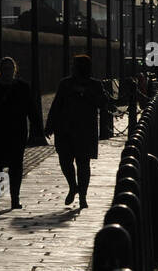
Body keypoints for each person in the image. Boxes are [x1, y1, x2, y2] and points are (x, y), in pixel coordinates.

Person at [45, 54, 115, 209]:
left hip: (85, 130)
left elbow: (103, 103)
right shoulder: (65, 84)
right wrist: (49, 125)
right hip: (65, 130)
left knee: (83, 164)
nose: (73, 68)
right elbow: (57, 105)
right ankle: (73, 186)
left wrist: (85, 92)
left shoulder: (95, 85)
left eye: (76, 66)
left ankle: (83, 195)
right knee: (65, 161)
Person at [0, 57, 42, 209]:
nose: (7, 72)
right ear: (0, 70)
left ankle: (14, 199)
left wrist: (37, 127)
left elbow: (31, 108)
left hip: (17, 133)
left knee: (16, 166)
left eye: (10, 69)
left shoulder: (22, 87)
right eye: (4, 69)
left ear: (14, 70)